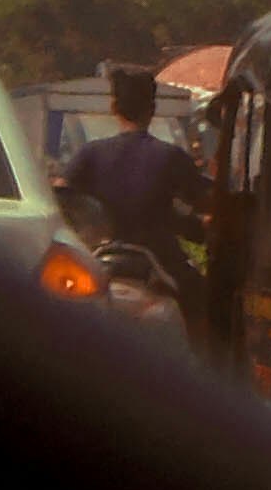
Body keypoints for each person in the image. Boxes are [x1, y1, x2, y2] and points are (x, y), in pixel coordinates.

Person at [60, 66, 208, 323]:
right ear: (152, 109)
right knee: (204, 305)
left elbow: (61, 197)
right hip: (160, 260)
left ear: (114, 107)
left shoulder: (89, 155)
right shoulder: (171, 157)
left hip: (101, 258)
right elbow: (207, 202)